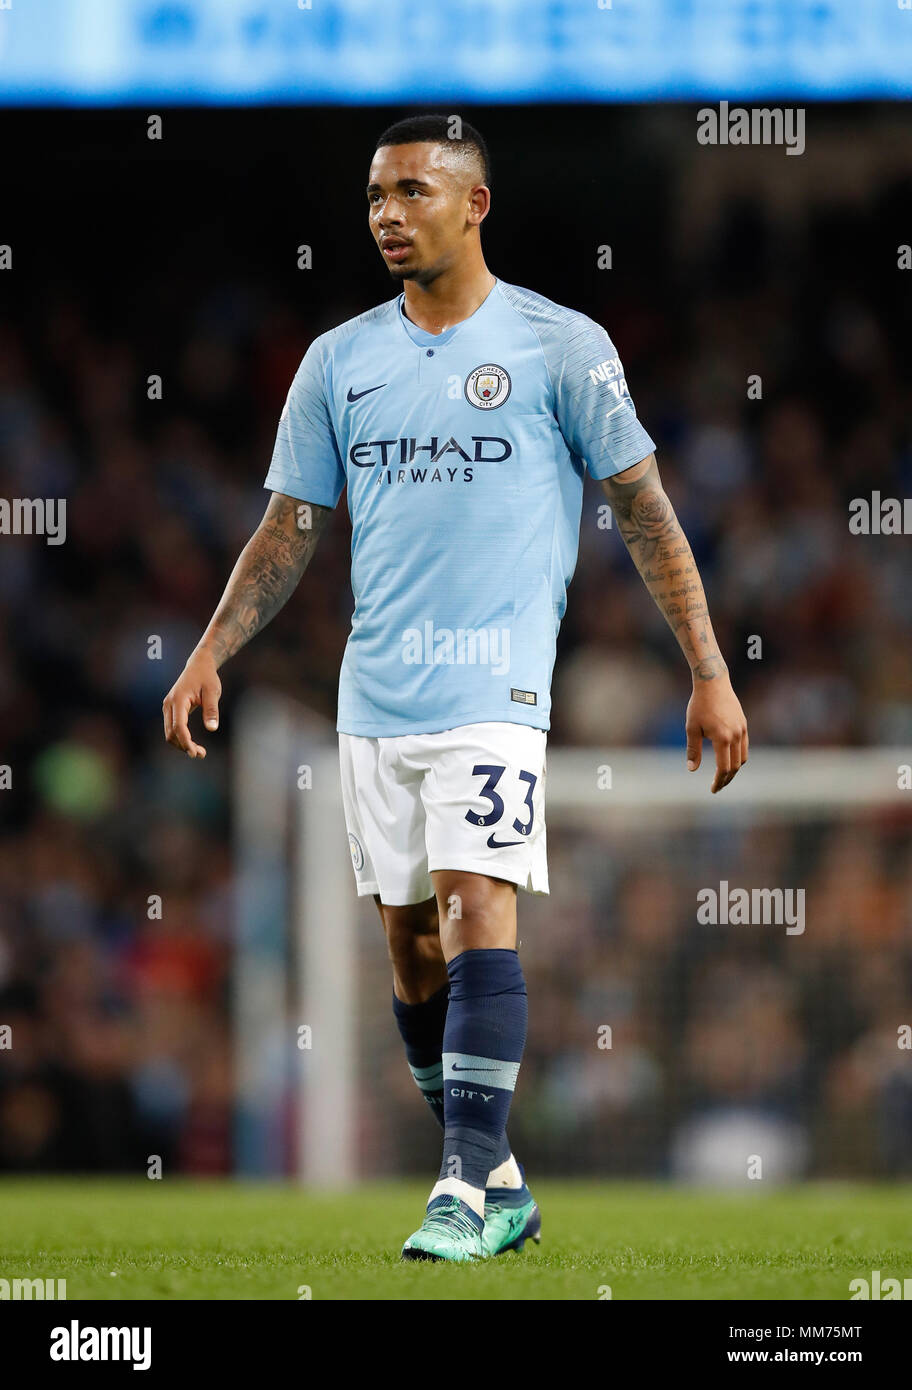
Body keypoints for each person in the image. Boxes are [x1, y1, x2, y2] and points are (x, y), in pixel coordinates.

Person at [162, 113, 748, 1263]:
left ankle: (459, 1195)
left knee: (480, 904)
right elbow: (289, 528)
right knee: (413, 949)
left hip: (499, 685)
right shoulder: (338, 360)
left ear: (475, 204)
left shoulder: (559, 343)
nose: (388, 213)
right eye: (376, 194)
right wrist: (209, 649)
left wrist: (711, 670)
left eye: (414, 191)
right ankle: (505, 1179)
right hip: (376, 696)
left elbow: (641, 506)